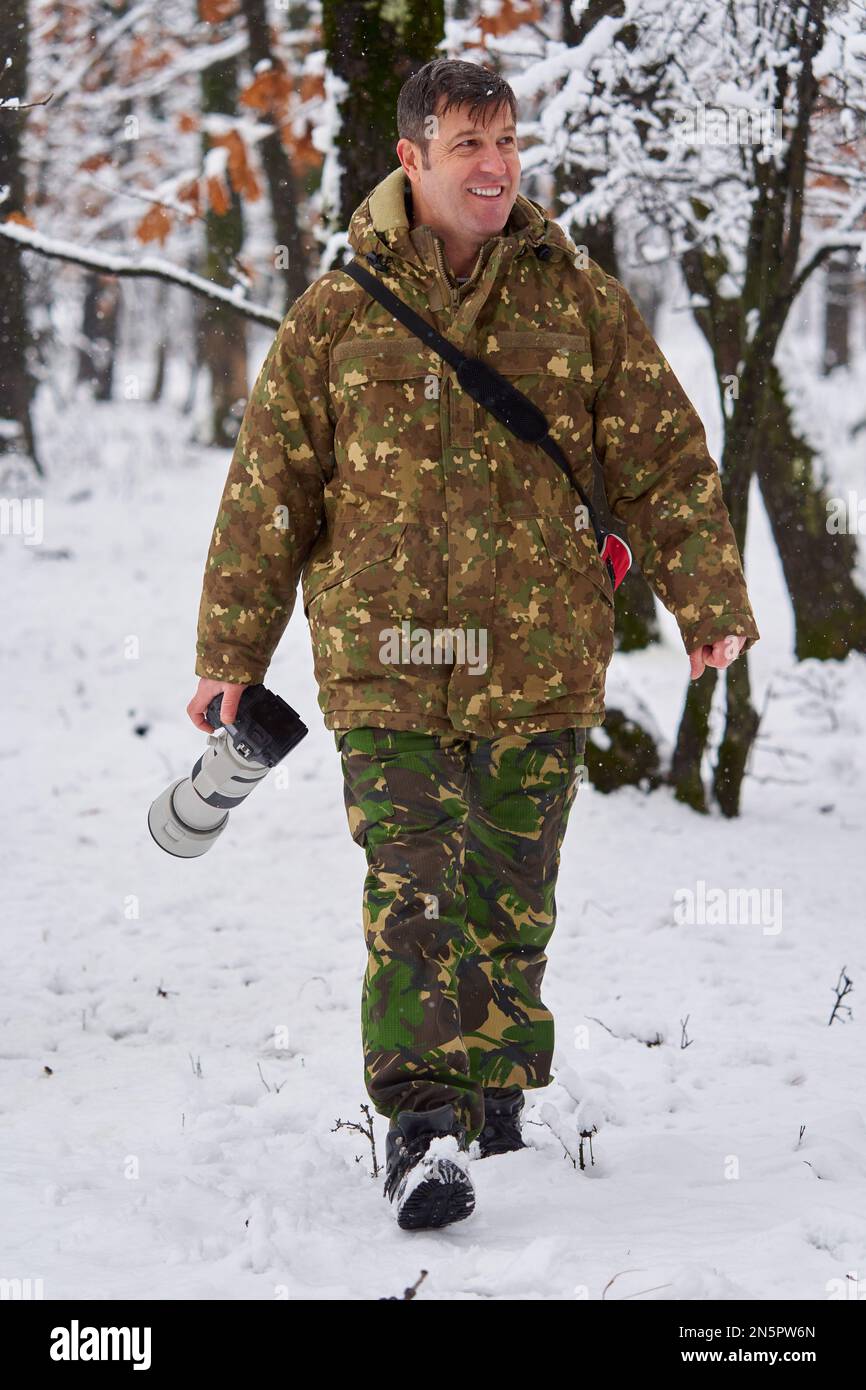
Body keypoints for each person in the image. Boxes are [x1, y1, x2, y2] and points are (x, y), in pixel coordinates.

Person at [187, 58, 760, 1231]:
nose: (493, 163)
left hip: (536, 659)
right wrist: (228, 649)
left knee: (509, 898)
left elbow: (659, 454)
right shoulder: (339, 310)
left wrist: (704, 599)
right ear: (412, 159)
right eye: (465, 143)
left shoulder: (574, 298)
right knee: (412, 893)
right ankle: (418, 1128)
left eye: (504, 138)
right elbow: (269, 487)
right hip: (385, 661)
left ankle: (497, 1100)